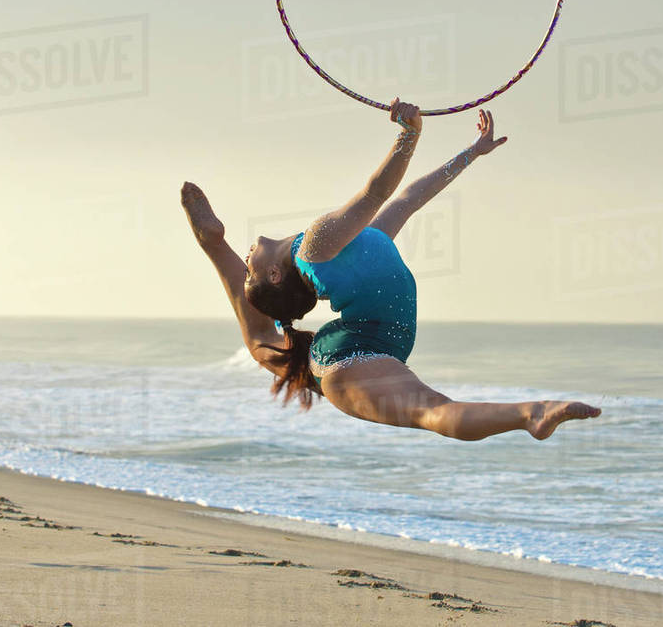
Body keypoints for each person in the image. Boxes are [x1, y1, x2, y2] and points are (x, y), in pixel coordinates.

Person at [181, 97, 601, 441]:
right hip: (356, 352)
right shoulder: (315, 244)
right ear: (274, 275)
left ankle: (212, 244)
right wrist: (409, 135)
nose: (250, 253)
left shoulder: (348, 245)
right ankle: (531, 414)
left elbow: (409, 198)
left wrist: (471, 153)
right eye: (249, 269)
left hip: (373, 346)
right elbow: (377, 192)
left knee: (261, 342)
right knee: (432, 410)